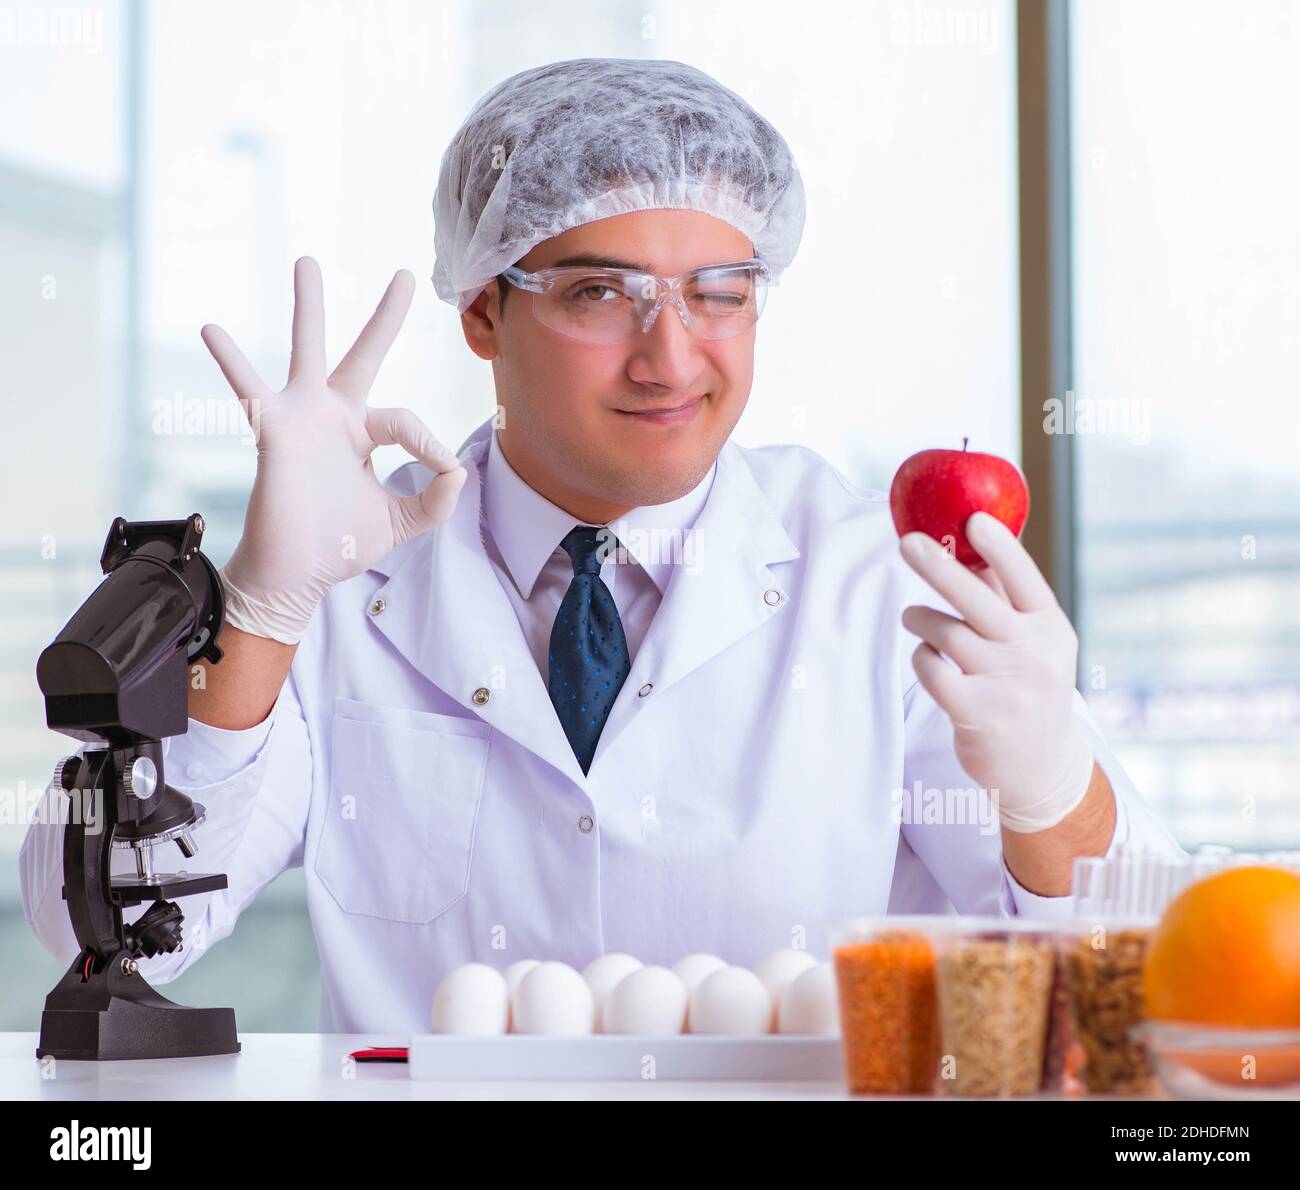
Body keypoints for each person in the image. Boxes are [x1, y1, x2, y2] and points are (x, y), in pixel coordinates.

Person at [21, 57, 1181, 1034]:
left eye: (718, 292)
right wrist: (261, 615)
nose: (670, 358)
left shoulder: (870, 576)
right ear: (482, 308)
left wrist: (1046, 781)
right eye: (599, 293)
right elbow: (93, 930)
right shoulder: (345, 575)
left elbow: (1132, 984)